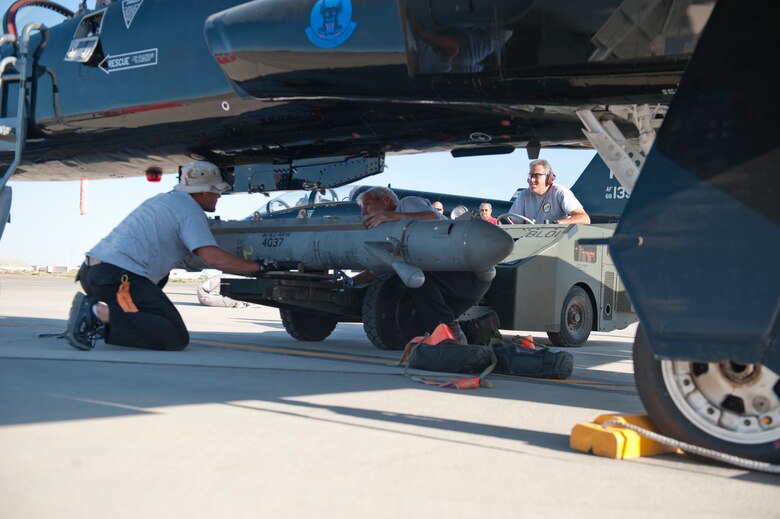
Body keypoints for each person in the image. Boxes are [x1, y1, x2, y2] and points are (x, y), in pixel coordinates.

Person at [65, 161, 263, 351]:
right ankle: (96, 313)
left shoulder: (163, 200)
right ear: (203, 191)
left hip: (92, 274)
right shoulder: (189, 211)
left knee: (159, 282)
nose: (219, 196)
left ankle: (100, 321)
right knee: (174, 336)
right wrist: (258, 268)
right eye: (217, 191)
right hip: (118, 280)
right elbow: (212, 257)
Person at [356, 186, 492, 343]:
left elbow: (432, 217)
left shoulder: (407, 203)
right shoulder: (389, 229)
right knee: (411, 334)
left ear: (386, 200)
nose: (363, 213)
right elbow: (380, 267)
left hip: (465, 273)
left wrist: (390, 216)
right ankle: (479, 326)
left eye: (367, 204)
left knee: (414, 274)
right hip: (447, 283)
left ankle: (453, 336)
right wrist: (350, 281)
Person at [507, 159, 590, 225]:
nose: (531, 180)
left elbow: (584, 218)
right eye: (530, 176)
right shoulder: (523, 195)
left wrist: (558, 224)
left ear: (549, 178)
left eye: (536, 176)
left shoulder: (560, 192)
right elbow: (516, 224)